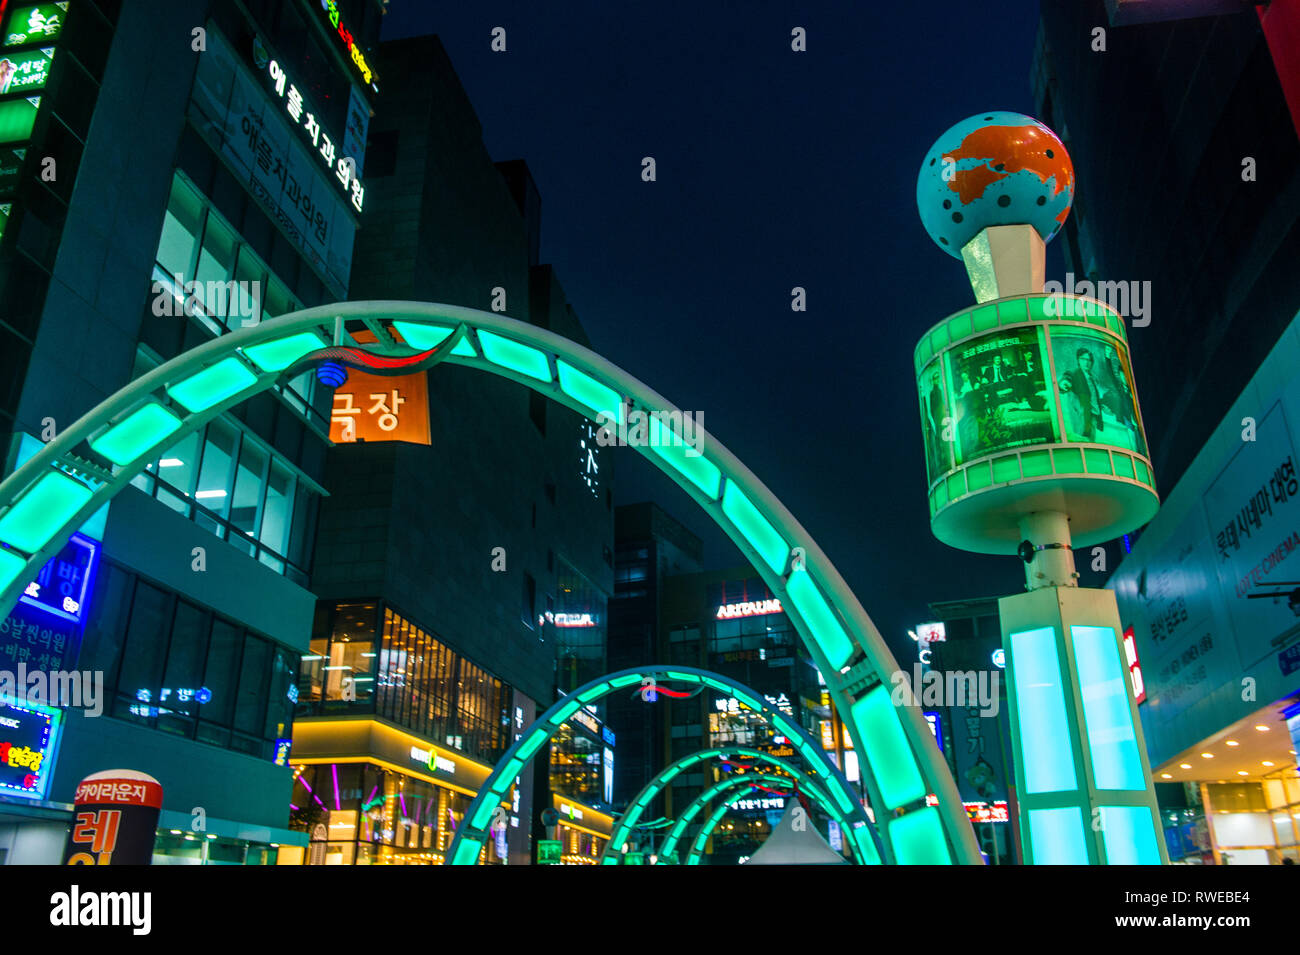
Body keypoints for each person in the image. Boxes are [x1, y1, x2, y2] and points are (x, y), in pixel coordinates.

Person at [1058, 347, 1106, 441]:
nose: (1087, 362)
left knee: (1091, 440)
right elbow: (1067, 378)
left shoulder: (1092, 377)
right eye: (1084, 359)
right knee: (1085, 440)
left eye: (1089, 360)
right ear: (1078, 360)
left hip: (1094, 414)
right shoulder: (1074, 373)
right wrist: (1063, 384)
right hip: (1083, 415)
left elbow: (1094, 396)